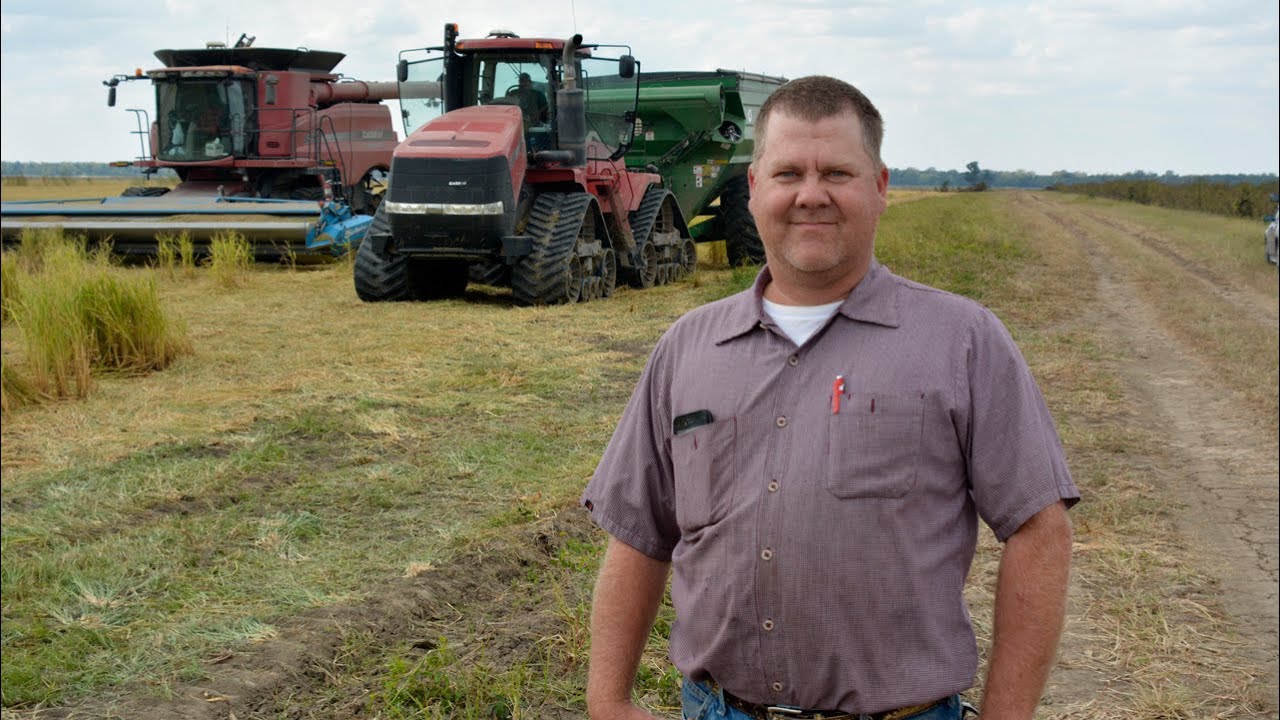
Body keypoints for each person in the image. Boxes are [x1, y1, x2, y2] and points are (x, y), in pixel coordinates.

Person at [581, 75, 1078, 720]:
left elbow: (1040, 529)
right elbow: (639, 530)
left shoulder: (962, 341)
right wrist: (608, 699)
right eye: (788, 173)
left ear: (880, 187)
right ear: (754, 187)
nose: (810, 195)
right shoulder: (687, 348)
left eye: (837, 173)